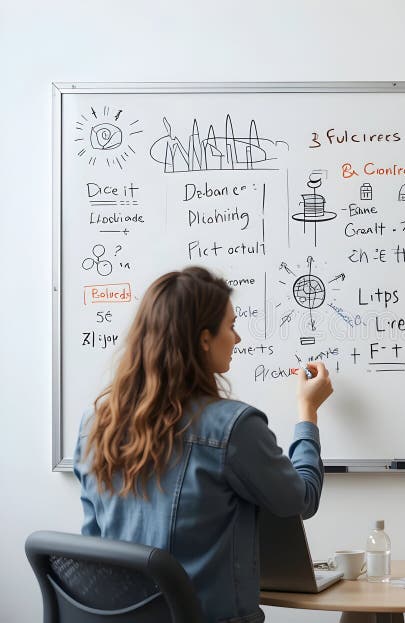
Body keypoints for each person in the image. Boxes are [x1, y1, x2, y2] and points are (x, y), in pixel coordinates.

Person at [73, 266, 334, 623]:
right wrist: (308, 413)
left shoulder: (94, 427)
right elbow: (300, 500)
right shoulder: (233, 427)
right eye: (231, 325)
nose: (238, 338)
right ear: (204, 339)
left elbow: (93, 548)